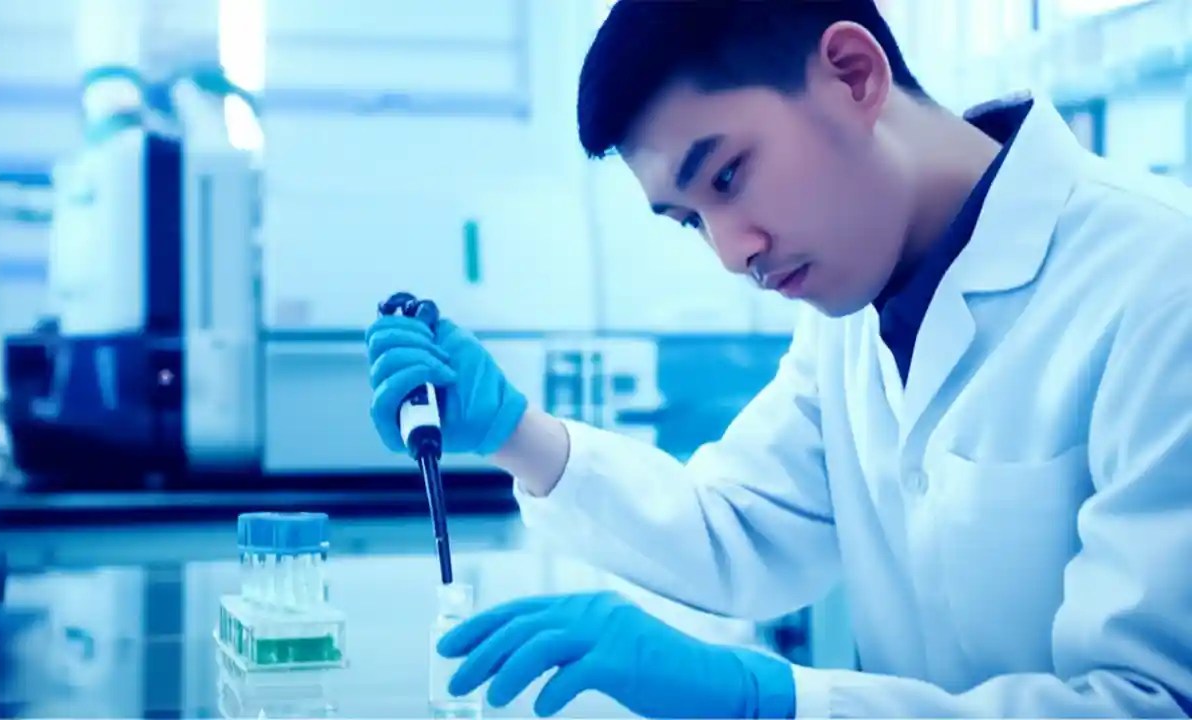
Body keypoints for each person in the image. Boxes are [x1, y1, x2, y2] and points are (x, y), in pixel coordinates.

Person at [365, 0, 1192, 717]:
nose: (731, 253)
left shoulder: (1160, 282)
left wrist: (776, 701)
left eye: (726, 175)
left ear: (852, 74)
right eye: (689, 219)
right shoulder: (851, 305)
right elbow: (740, 531)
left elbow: (1147, 704)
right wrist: (514, 430)